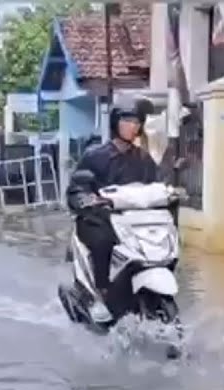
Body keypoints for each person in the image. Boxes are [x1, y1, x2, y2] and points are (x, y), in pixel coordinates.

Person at [66, 98, 161, 322]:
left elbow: (155, 187)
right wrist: (86, 199)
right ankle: (101, 292)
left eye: (137, 122)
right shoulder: (95, 156)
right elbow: (76, 188)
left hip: (134, 222)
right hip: (98, 219)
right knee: (103, 241)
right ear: (115, 124)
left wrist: (171, 192)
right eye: (127, 121)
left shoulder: (144, 159)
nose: (133, 126)